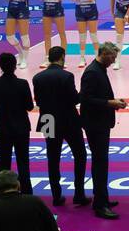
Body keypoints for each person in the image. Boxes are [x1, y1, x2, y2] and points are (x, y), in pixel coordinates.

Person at [32, 46, 89, 208]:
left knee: (53, 157)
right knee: (80, 155)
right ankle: (79, 193)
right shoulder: (67, 76)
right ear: (62, 57)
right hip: (69, 120)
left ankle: (56, 195)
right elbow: (74, 100)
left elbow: (38, 101)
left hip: (48, 120)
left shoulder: (37, 77)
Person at [80, 42, 125, 219]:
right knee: (99, 163)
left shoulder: (99, 69)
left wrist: (112, 101)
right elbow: (86, 99)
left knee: (101, 162)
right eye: (113, 57)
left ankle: (102, 198)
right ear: (105, 54)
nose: (114, 61)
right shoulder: (92, 72)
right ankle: (100, 204)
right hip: (95, 123)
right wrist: (109, 103)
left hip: (100, 122)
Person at [0, 51, 33, 192]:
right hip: (21, 127)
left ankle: (3, 191)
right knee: (23, 160)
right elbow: (29, 106)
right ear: (15, 65)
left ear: (1, 66)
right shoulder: (22, 83)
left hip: (2, 127)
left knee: (4, 159)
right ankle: (26, 191)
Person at [71, 0, 99, 69]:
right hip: (80, 11)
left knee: (93, 35)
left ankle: (97, 57)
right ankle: (82, 58)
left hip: (91, 10)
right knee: (82, 36)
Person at [39, 0, 67, 69]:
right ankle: (47, 59)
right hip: (47, 10)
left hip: (57, 9)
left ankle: (62, 59)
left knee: (62, 34)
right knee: (47, 35)